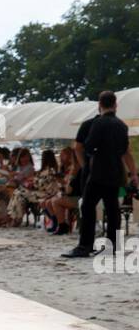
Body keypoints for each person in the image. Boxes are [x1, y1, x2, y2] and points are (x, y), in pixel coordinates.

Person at [65, 90, 138, 258]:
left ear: (99, 105)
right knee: (113, 209)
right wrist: (133, 174)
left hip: (98, 172)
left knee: (88, 206)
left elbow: (89, 147)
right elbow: (125, 151)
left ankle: (85, 246)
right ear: (115, 105)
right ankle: (113, 245)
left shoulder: (98, 124)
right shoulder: (122, 125)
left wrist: (87, 164)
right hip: (115, 172)